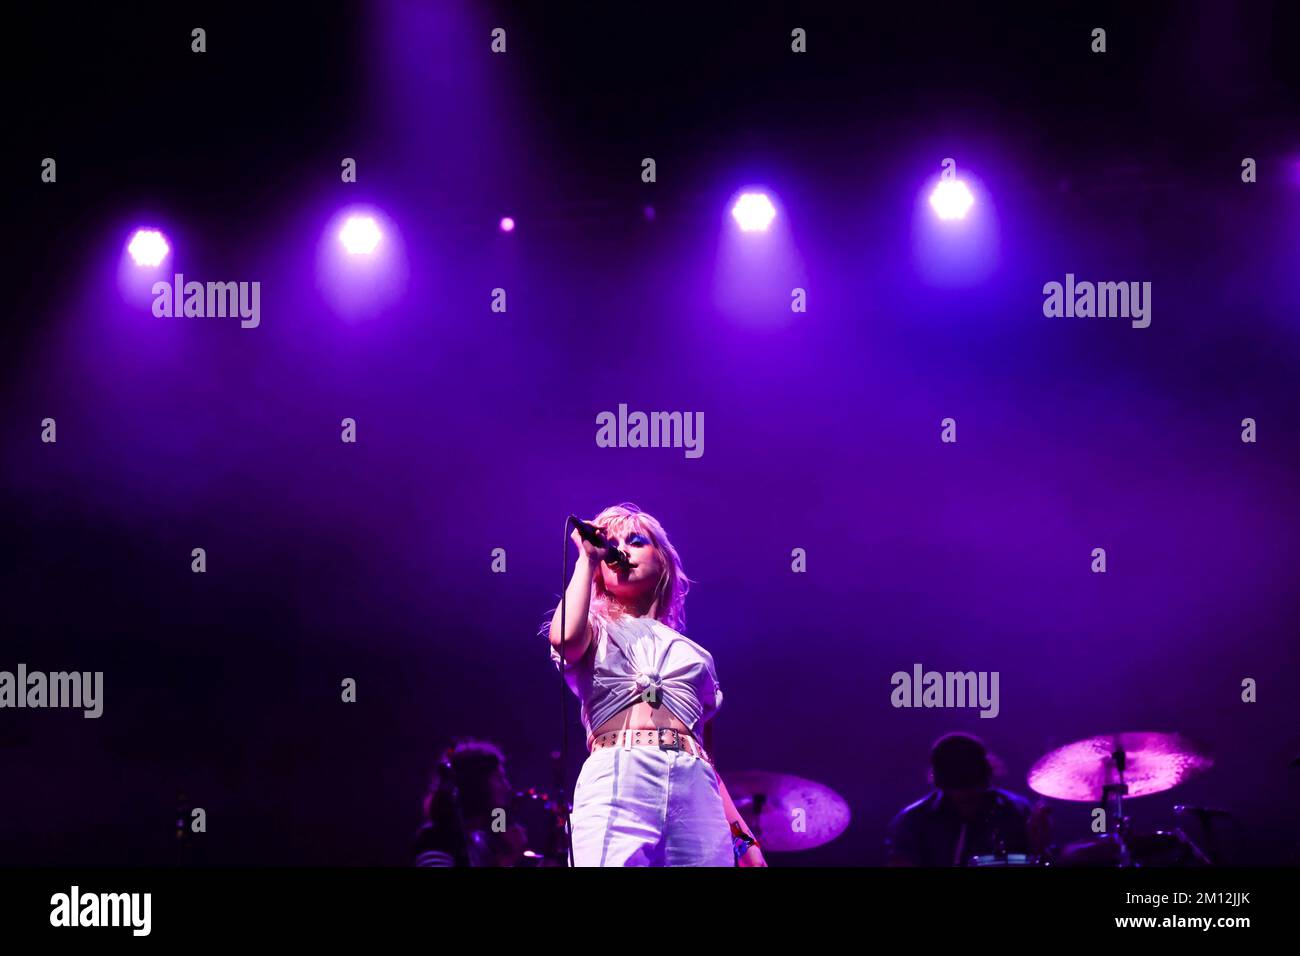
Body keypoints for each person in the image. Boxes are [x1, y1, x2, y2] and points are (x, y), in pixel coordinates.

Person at [545, 503, 765, 866]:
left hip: (694, 789)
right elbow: (565, 638)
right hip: (619, 774)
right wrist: (587, 557)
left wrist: (744, 841)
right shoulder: (595, 628)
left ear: (662, 560)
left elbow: (707, 761)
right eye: (612, 544)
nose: (622, 550)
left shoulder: (696, 656)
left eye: (635, 541)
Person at [885, 732, 1049, 866]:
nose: (965, 796)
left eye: (971, 786)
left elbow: (1037, 859)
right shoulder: (912, 821)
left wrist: (1039, 846)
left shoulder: (1016, 810)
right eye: (957, 787)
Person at [412, 739, 528, 867]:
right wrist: (509, 858)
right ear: (476, 785)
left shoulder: (479, 841)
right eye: (498, 778)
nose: (507, 787)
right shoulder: (435, 839)